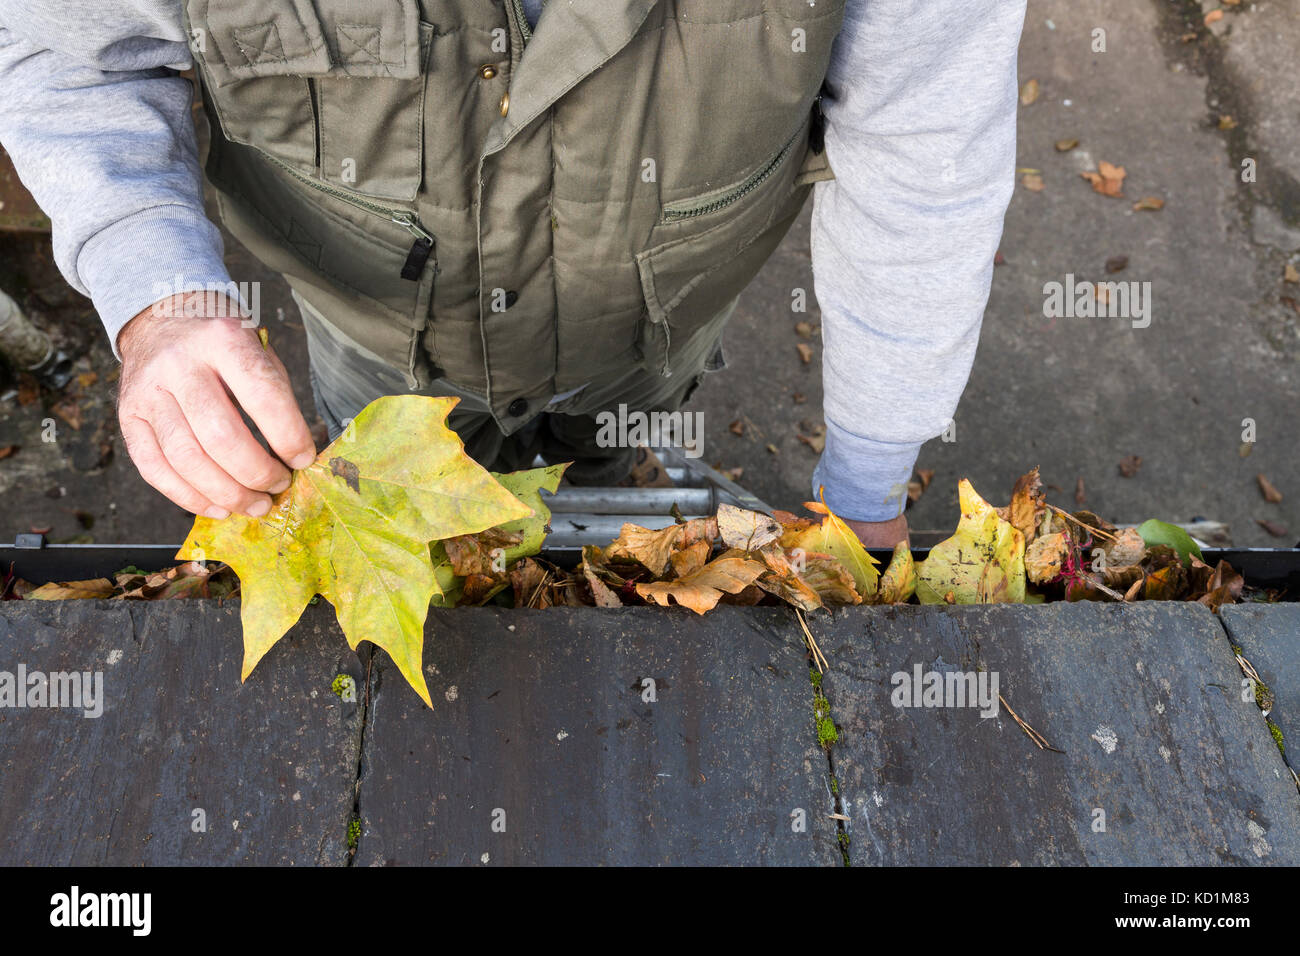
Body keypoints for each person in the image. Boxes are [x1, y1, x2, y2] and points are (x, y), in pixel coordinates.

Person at [0, 0, 1026, 548]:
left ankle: (598, 474)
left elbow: (922, 147)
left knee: (600, 461)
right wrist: (158, 299)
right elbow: (78, 54)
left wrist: (865, 483)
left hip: (651, 335)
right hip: (373, 336)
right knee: (391, 491)